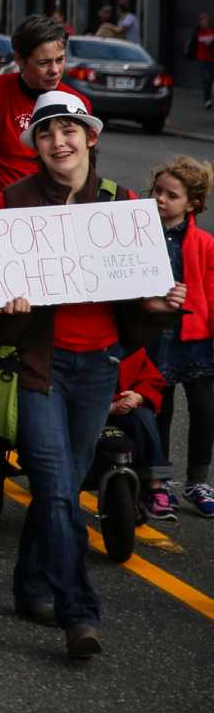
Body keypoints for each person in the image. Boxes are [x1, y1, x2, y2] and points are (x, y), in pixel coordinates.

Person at [0, 90, 186, 660]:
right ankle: (79, 611)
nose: (58, 142)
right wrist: (3, 304)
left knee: (61, 490)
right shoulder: (14, 202)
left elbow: (142, 295)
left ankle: (29, 586)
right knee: (53, 487)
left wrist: (158, 304)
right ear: (36, 146)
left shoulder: (123, 205)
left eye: (68, 131)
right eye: (46, 133)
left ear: (90, 137)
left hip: (99, 368)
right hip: (40, 366)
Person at [0, 15, 87, 210]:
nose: (54, 70)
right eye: (44, 63)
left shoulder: (75, 102)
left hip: (54, 214)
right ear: (20, 60)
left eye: (60, 60)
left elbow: (84, 165)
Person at [150, 156, 214, 518]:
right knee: (159, 412)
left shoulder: (204, 243)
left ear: (192, 203)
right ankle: (159, 483)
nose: (160, 199)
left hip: (196, 340)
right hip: (155, 338)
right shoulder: (143, 238)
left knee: (205, 411)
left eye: (170, 195)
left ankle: (198, 481)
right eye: (157, 191)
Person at [110, 348, 176, 520]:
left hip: (121, 410)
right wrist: (110, 407)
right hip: (83, 413)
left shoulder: (129, 348)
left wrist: (138, 396)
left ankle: (156, 486)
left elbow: (152, 380)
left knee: (144, 416)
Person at [188, 12, 214, 108]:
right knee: (207, 78)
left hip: (212, 58)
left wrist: (211, 44)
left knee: (211, 79)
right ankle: (207, 100)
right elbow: (192, 44)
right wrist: (189, 54)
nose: (204, 23)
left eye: (205, 20)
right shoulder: (197, 32)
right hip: (203, 59)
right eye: (202, 21)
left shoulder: (212, 31)